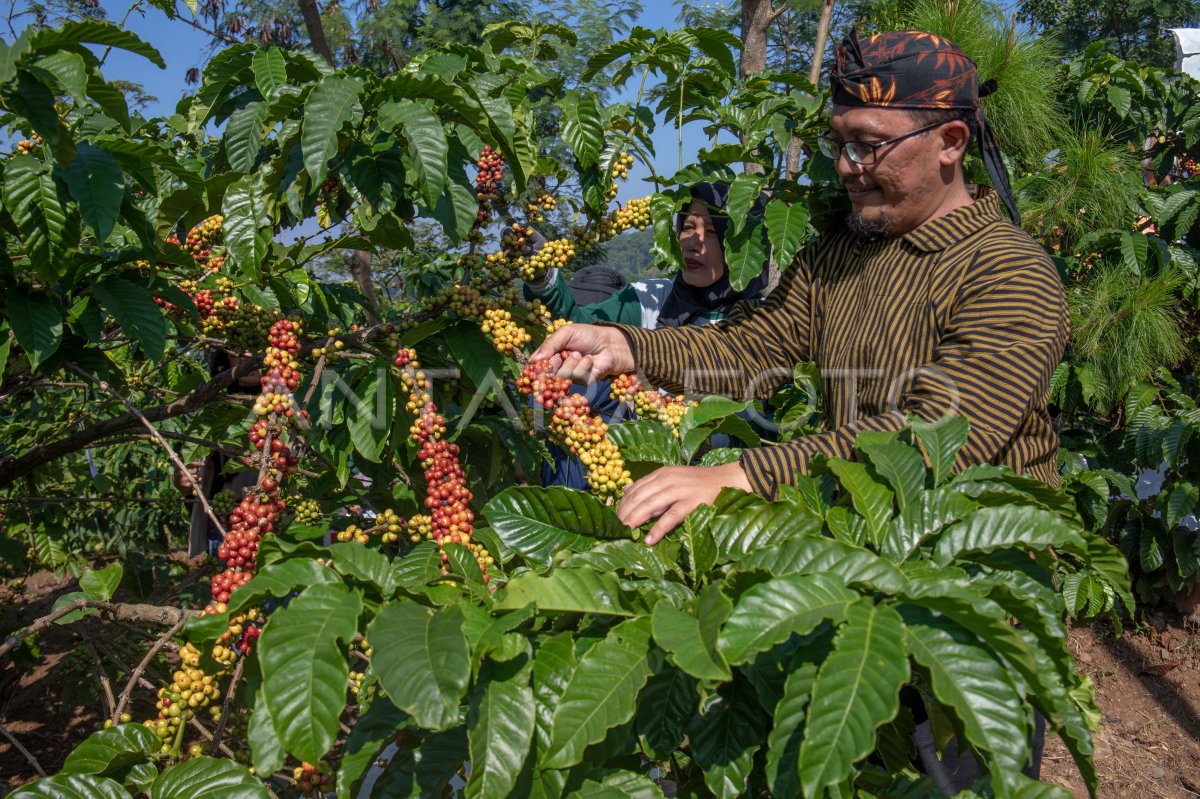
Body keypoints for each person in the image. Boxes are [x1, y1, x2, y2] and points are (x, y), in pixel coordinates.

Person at [532, 28, 1069, 545]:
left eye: (867, 145)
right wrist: (626, 345)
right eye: (838, 142)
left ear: (949, 143)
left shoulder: (1009, 271)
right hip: (867, 537)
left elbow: (936, 436)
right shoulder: (838, 253)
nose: (845, 166)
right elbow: (750, 347)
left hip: (981, 564)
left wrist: (743, 476)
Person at [524, 182, 768, 488]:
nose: (693, 241)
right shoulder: (653, 298)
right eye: (688, 226)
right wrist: (544, 278)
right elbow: (583, 327)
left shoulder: (769, 324)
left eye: (713, 232)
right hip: (638, 484)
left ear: (743, 246)